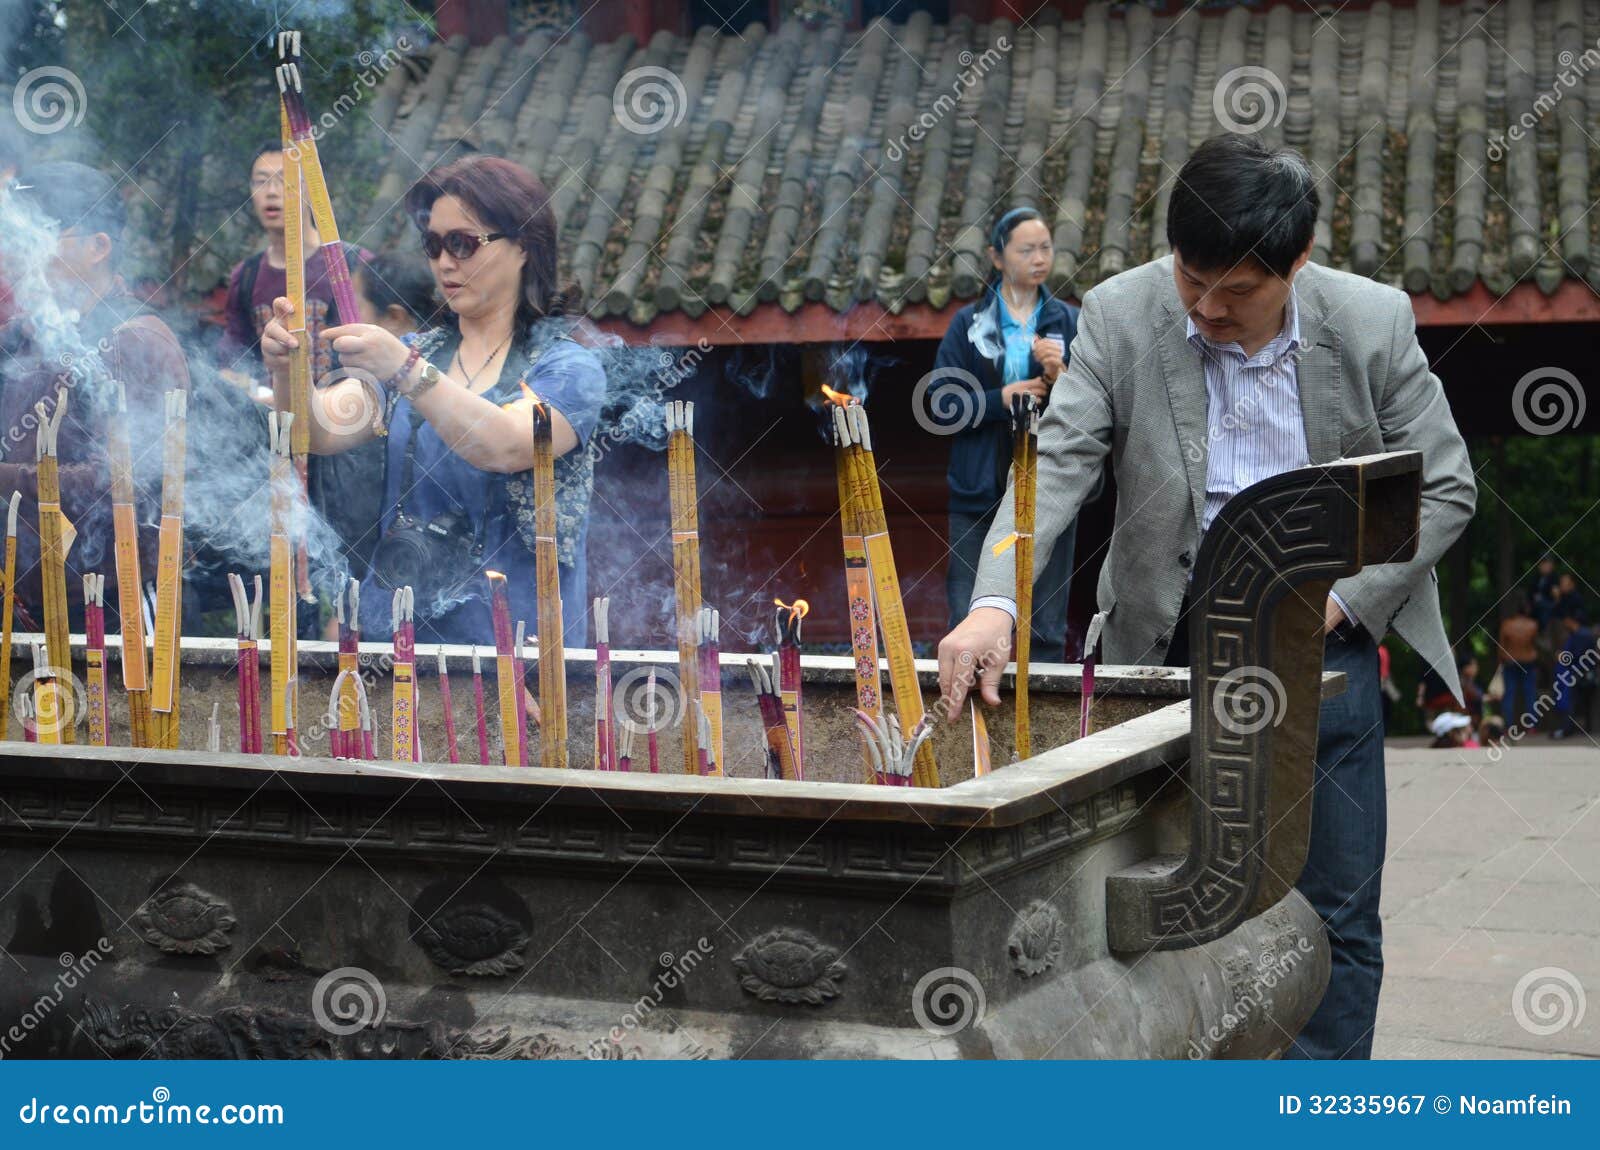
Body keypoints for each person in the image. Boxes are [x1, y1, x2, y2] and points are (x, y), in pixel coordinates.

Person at [937, 134, 1476, 1060]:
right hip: (1162, 655)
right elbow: (1055, 472)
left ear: (1297, 264)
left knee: (1335, 912)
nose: (1209, 308)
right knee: (1156, 909)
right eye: (1194, 280)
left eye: (1239, 292)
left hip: (1319, 649)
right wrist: (996, 603)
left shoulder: (1372, 322)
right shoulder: (1121, 313)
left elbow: (1447, 486)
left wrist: (1332, 605)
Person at [259, 154, 605, 646]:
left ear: (524, 245)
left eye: (463, 243)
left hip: (515, 653)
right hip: (395, 643)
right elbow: (315, 432)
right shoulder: (421, 354)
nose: (445, 261)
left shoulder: (567, 367)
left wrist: (405, 370)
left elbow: (506, 445)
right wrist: (286, 370)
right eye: (434, 244)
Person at [0, 162, 189, 629]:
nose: (18, 252)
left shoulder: (136, 340)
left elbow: (122, 480)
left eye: (39, 233)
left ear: (98, 247)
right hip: (25, 600)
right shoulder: (27, 335)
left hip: (107, 603)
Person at [220, 142, 382, 582]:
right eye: (260, 182)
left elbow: (377, 353)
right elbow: (233, 356)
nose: (271, 193)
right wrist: (256, 388)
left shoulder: (351, 265)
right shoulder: (246, 276)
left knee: (348, 562)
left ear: (311, 193)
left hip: (348, 437)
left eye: (284, 182)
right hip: (277, 436)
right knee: (281, 561)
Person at [932, 207, 1082, 660]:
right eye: (1026, 249)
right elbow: (943, 403)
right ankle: (970, 724)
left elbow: (1098, 409)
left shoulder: (1069, 321)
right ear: (997, 258)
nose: (1039, 258)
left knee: (1046, 626)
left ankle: (1043, 727)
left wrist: (1061, 374)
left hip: (1046, 487)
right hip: (979, 487)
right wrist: (1001, 398)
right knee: (967, 617)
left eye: (1045, 248)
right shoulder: (968, 323)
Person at [1551, 612, 1598, 740]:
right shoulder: (1579, 634)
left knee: (1569, 702)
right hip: (1578, 674)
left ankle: (1567, 729)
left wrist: (1562, 656)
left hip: (1578, 675)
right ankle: (1570, 728)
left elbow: (1578, 656)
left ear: (1571, 620)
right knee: (1572, 702)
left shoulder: (1581, 635)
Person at [1497, 598, 1540, 735]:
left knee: (1509, 694)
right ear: (1526, 610)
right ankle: (1531, 726)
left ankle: (1508, 727)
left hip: (1510, 661)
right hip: (1528, 661)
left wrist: (1500, 662)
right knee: (1530, 694)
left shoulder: (1507, 625)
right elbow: (1535, 645)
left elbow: (1501, 647)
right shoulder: (1533, 625)